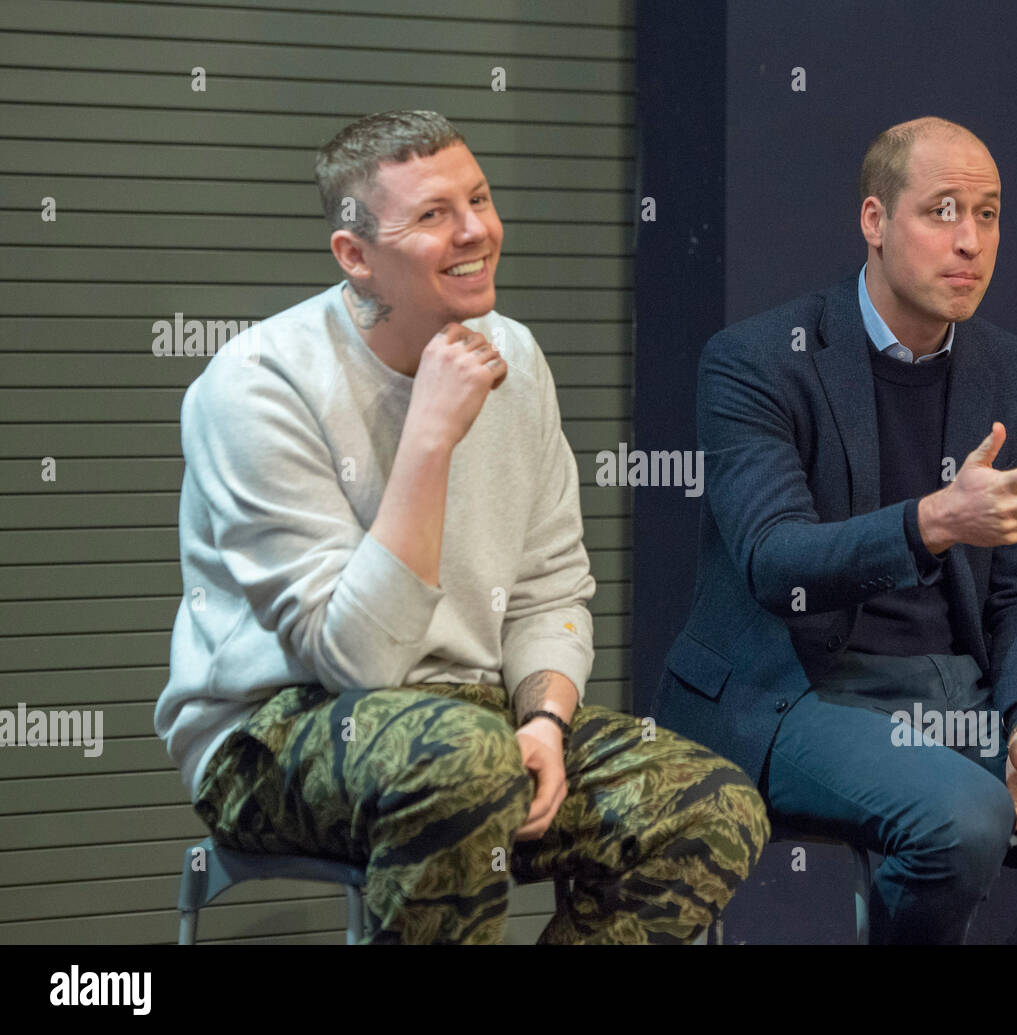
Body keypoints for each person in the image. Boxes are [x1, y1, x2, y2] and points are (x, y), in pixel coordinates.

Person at [154, 109, 768, 945]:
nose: (476, 230)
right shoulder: (258, 386)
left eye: (478, 198)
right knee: (462, 764)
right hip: (273, 730)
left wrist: (545, 719)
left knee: (709, 805)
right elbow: (356, 661)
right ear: (356, 257)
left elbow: (551, 585)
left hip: (475, 716)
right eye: (432, 215)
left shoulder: (515, 354)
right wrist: (430, 435)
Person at [651, 116, 1017, 944]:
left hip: (959, 696)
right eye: (942, 211)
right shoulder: (758, 360)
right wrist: (933, 521)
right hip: (791, 689)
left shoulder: (1016, 376)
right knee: (966, 816)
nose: (969, 241)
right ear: (874, 220)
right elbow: (774, 560)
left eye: (988, 213)